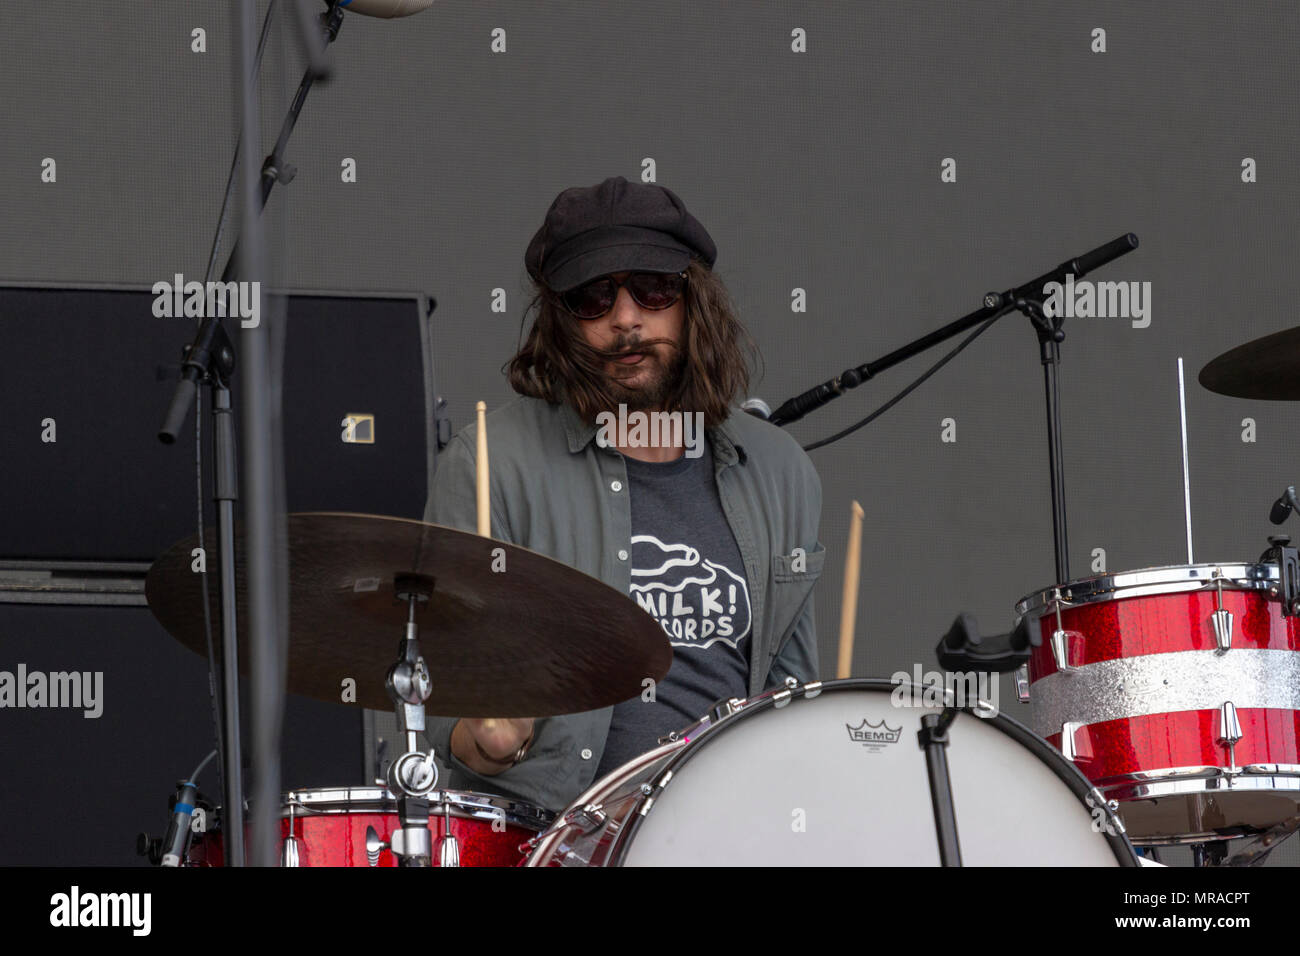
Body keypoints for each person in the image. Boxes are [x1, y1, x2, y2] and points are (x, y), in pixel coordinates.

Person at [424, 175, 825, 812]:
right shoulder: (489, 464)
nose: (627, 317)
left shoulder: (778, 468)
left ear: (695, 302)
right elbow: (434, 713)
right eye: (593, 296)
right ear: (560, 320)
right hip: (560, 836)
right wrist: (491, 744)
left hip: (735, 827)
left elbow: (794, 698)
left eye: (654, 287)